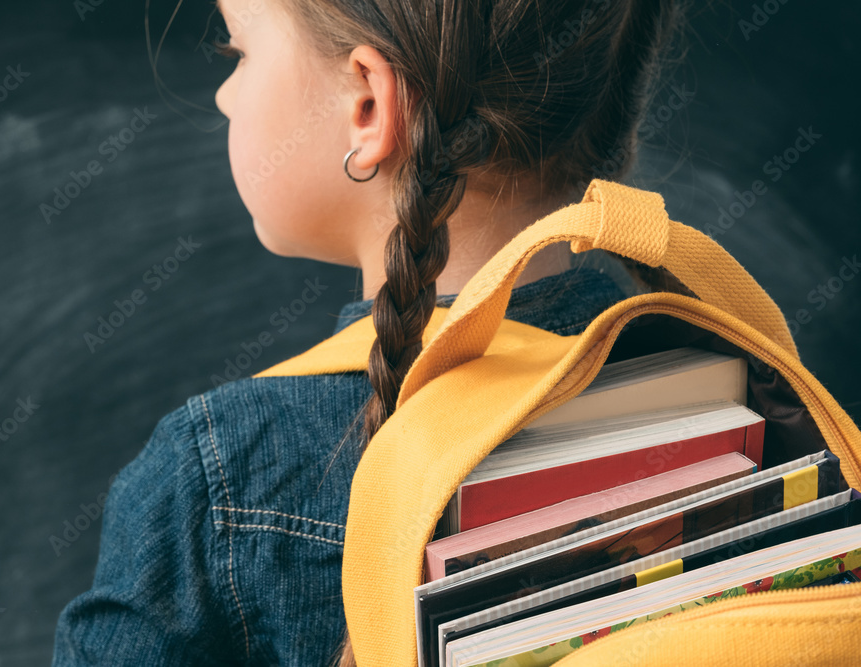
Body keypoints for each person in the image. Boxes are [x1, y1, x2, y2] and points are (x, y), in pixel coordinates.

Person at [50, 0, 686, 664]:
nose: (224, 95)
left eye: (237, 54)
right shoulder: (731, 375)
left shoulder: (220, 480)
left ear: (368, 106)